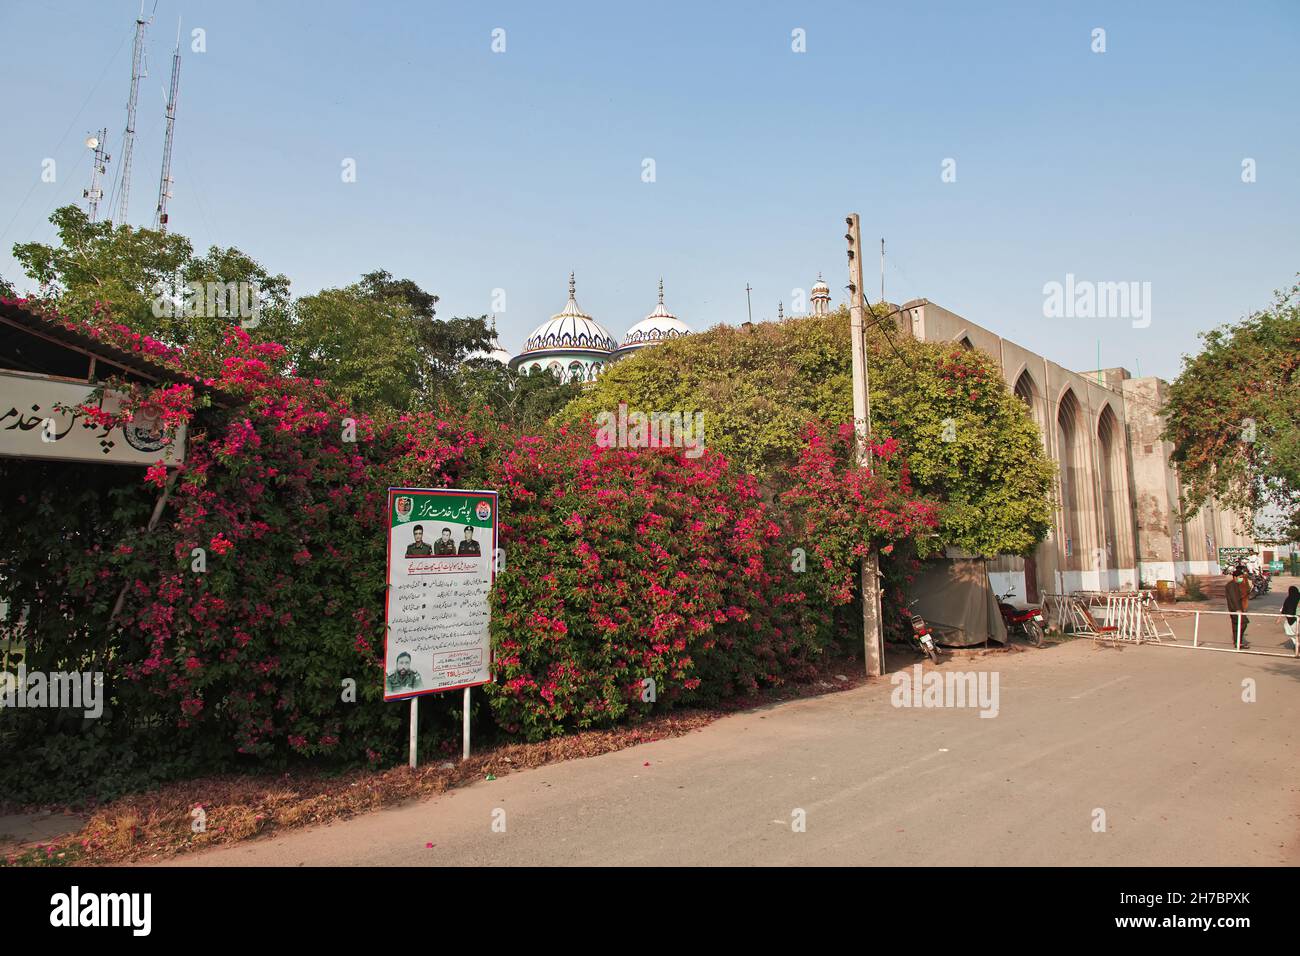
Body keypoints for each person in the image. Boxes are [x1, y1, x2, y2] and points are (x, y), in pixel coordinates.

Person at [1225, 563, 1250, 649]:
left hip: (1237, 608)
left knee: (1237, 625)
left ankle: (1238, 642)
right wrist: (1238, 609)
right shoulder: (1231, 585)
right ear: (1235, 577)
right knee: (1243, 623)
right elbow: (1234, 598)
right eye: (1240, 577)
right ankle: (1238, 641)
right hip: (1235, 609)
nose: (1241, 579)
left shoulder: (1235, 584)